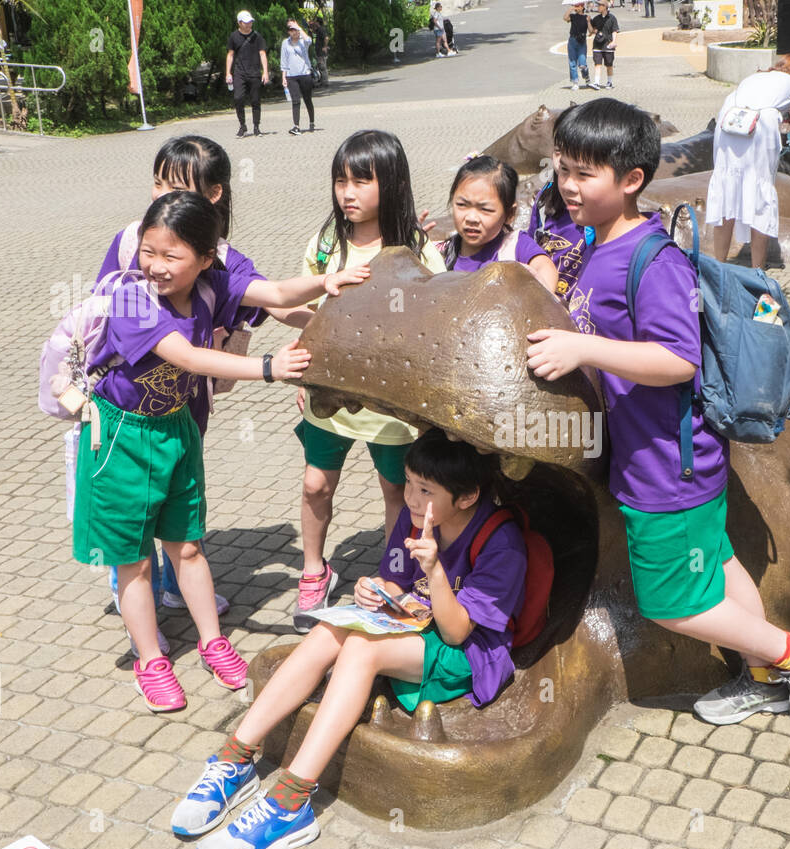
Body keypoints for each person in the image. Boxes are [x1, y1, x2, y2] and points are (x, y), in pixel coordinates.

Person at [525, 98, 790, 726]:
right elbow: (554, 257)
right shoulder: (595, 242)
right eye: (563, 169)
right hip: (665, 457)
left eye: (585, 174)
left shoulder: (653, 261)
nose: (568, 185)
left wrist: (581, 347)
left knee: (669, 602)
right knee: (718, 568)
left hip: (669, 470)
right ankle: (762, 673)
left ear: (631, 180)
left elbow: (678, 360)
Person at [73, 190, 369, 711]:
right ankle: (150, 660)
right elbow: (186, 356)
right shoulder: (128, 296)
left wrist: (325, 282)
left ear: (206, 259)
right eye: (148, 250)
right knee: (134, 561)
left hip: (176, 429)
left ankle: (213, 642)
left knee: (187, 545)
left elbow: (275, 293)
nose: (155, 266)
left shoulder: (213, 283)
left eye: (171, 255)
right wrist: (269, 368)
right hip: (122, 436)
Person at [175, 429, 527, 849]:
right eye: (409, 482)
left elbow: (457, 633)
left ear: (467, 497)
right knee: (327, 629)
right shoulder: (414, 519)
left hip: (467, 650)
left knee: (361, 648)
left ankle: (291, 802)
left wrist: (434, 569)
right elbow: (395, 580)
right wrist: (373, 588)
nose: (411, 499)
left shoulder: (500, 541)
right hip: (414, 622)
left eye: (425, 490)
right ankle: (237, 757)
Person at [293, 130, 448, 633]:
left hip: (391, 403)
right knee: (316, 484)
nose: (348, 192)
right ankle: (314, 570)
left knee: (396, 493)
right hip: (331, 396)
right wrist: (304, 363)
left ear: (393, 183)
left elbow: (432, 322)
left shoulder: (418, 251)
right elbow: (309, 311)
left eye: (361, 180)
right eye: (341, 180)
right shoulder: (325, 243)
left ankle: (392, 580)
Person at [705, 55, 790, 270]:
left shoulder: (758, 76)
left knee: (726, 191)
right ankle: (757, 270)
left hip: (730, 119)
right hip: (759, 126)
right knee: (760, 196)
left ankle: (719, 266)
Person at [441, 154, 559, 293]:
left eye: (485, 209)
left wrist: (542, 295)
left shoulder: (515, 245)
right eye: (462, 204)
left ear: (509, 214)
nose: (471, 218)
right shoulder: (447, 252)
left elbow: (544, 266)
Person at [528, 173, 590, 301]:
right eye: (557, 153)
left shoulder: (597, 217)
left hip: (572, 306)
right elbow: (530, 247)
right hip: (540, 296)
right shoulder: (544, 199)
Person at [225, 10, 268, 137]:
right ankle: (242, 125)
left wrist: (265, 71)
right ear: (239, 23)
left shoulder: (257, 36)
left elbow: (262, 54)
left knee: (255, 100)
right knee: (238, 98)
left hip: (254, 72)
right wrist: (228, 73)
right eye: (246, 22)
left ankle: (256, 126)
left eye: (250, 22)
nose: (249, 24)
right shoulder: (233, 37)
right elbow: (230, 55)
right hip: (239, 73)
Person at [280, 18, 315, 135]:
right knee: (295, 100)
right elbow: (284, 61)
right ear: (288, 32)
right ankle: (296, 126)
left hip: (305, 73)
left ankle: (311, 121)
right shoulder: (285, 43)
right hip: (291, 76)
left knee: (307, 99)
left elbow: (309, 40)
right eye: (291, 30)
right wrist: (283, 77)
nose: (294, 32)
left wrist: (299, 27)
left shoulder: (302, 41)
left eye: (295, 29)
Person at [588, 0, 620, 91]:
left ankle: (609, 82)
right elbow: (591, 31)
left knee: (609, 64)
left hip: (608, 44)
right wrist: (588, 22)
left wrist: (613, 41)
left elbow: (615, 30)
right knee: (597, 64)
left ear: (605, 7)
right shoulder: (596, 18)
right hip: (597, 44)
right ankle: (596, 82)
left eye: (599, 6)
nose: (597, 7)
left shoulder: (612, 18)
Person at [564, 3, 591, 91]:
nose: (576, 8)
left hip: (582, 42)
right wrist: (570, 9)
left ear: (582, 7)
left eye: (577, 6)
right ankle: (575, 82)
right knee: (572, 62)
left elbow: (591, 31)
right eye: (575, 6)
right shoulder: (573, 16)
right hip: (572, 40)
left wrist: (588, 21)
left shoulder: (586, 17)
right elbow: (565, 18)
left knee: (582, 63)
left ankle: (586, 76)